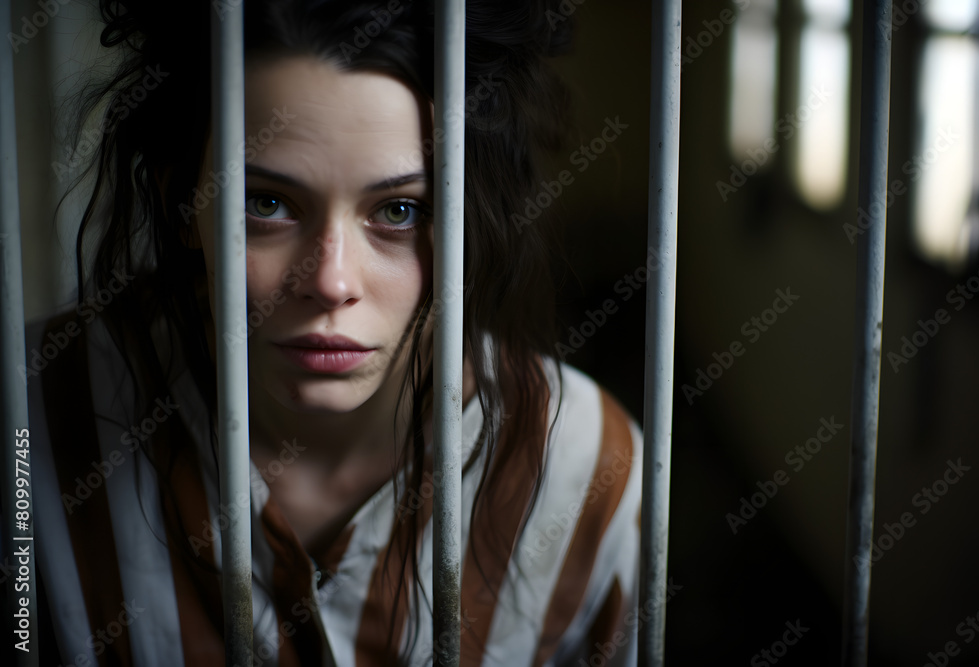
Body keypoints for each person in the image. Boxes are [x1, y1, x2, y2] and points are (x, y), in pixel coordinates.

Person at [12, 0, 643, 664]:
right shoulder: (30, 413)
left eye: (400, 210)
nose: (331, 280)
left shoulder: (585, 467)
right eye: (268, 203)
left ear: (470, 220)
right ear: (180, 202)